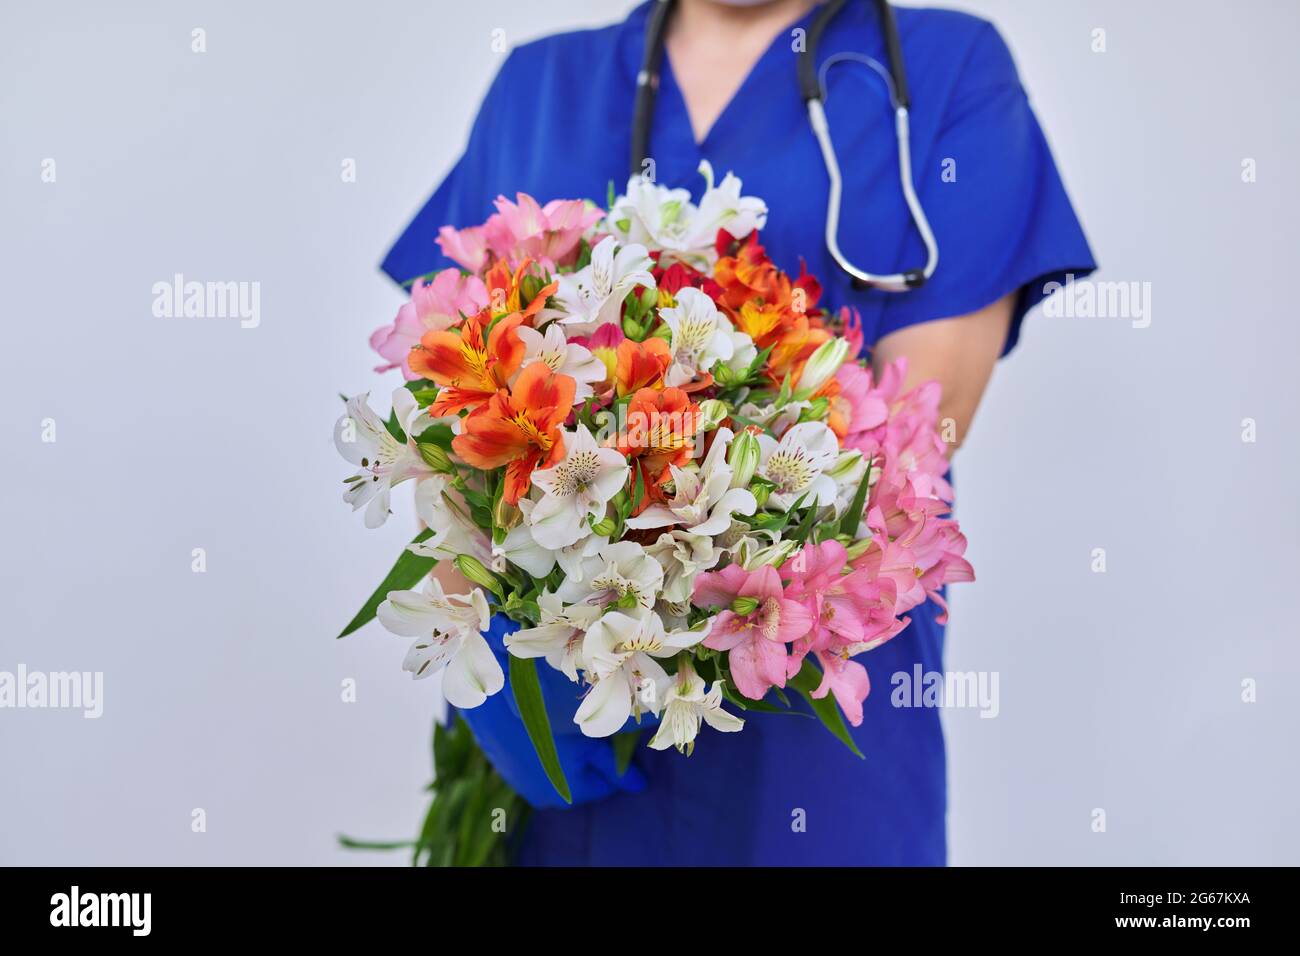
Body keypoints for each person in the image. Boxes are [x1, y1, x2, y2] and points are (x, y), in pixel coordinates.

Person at [381, 0, 1095, 865]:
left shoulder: (946, 69)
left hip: (809, 736)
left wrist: (664, 534)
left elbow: (916, 433)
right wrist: (480, 618)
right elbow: (451, 389)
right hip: (557, 698)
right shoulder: (541, 85)